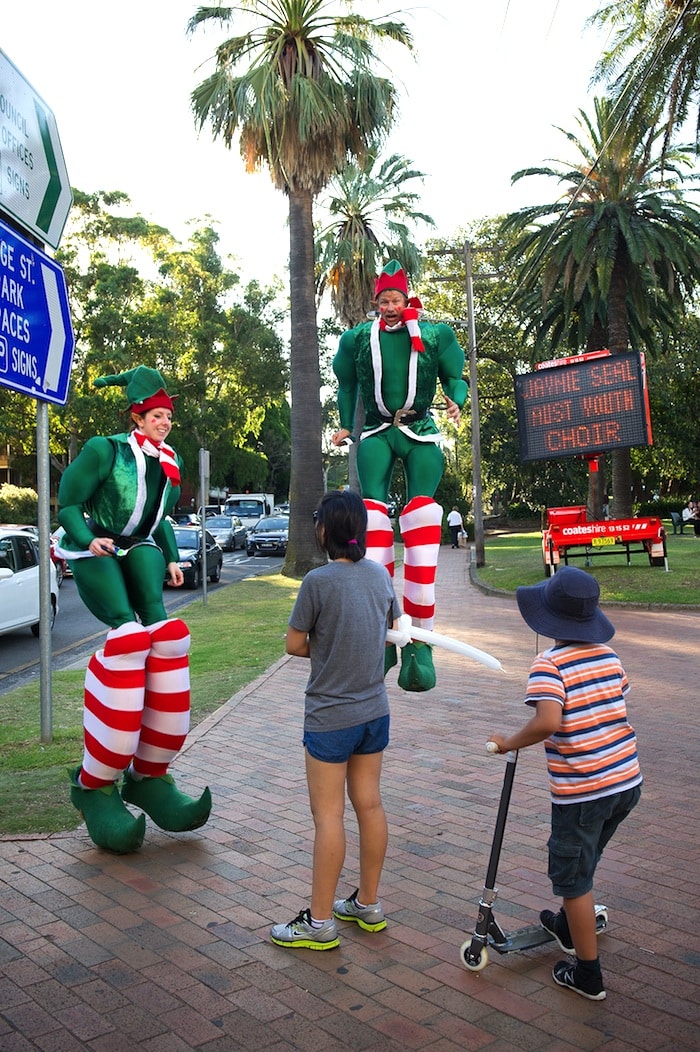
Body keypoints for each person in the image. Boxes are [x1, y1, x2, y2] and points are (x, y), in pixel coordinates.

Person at [56, 366, 212, 854]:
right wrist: (87, 538)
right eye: (157, 415)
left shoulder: (169, 461)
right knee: (126, 639)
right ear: (137, 416)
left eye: (168, 416)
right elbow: (67, 504)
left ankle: (148, 775)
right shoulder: (106, 449)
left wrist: (172, 558)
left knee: (167, 637)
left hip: (140, 547)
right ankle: (95, 784)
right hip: (96, 549)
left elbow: (160, 518)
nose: (165, 422)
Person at [487, 566, 642, 1001]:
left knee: (573, 876)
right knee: (583, 859)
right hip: (625, 782)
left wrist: (508, 743)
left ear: (547, 618)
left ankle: (587, 974)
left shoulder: (549, 663)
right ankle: (569, 926)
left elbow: (549, 721)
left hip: (585, 790)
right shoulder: (609, 658)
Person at [270, 489, 402, 950]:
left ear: (325, 531)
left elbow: (293, 644)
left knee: (328, 816)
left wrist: (325, 650)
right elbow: (390, 635)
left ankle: (320, 922)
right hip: (374, 712)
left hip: (330, 716)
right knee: (370, 805)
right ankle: (367, 904)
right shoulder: (381, 577)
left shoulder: (318, 582)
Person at [332, 260, 468, 692]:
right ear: (375, 302)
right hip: (375, 432)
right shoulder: (355, 339)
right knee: (371, 518)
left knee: (425, 517)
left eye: (396, 300)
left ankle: (420, 642)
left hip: (420, 429)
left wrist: (455, 399)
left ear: (407, 300)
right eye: (384, 300)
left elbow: (455, 375)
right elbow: (347, 386)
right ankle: (385, 635)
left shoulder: (434, 333)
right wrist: (344, 425)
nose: (390, 307)